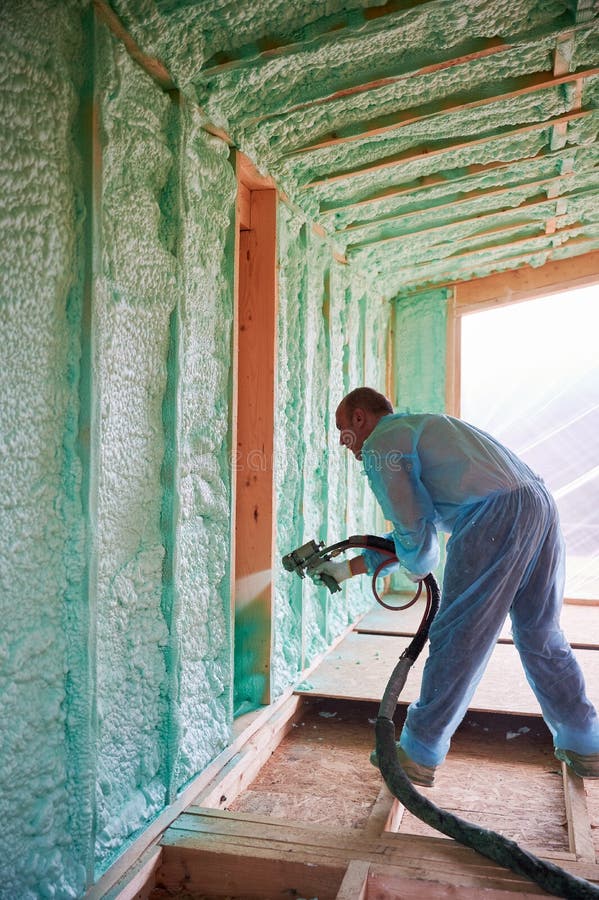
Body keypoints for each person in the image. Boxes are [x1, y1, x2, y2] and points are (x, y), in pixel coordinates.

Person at [313, 386, 599, 786]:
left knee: (459, 634)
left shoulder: (381, 444)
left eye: (343, 430)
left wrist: (414, 566)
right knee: (540, 632)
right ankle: (586, 743)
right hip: (538, 504)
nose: (347, 445)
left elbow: (414, 536)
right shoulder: (423, 430)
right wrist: (346, 570)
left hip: (496, 514)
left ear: (359, 418)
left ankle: (419, 751)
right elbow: (414, 530)